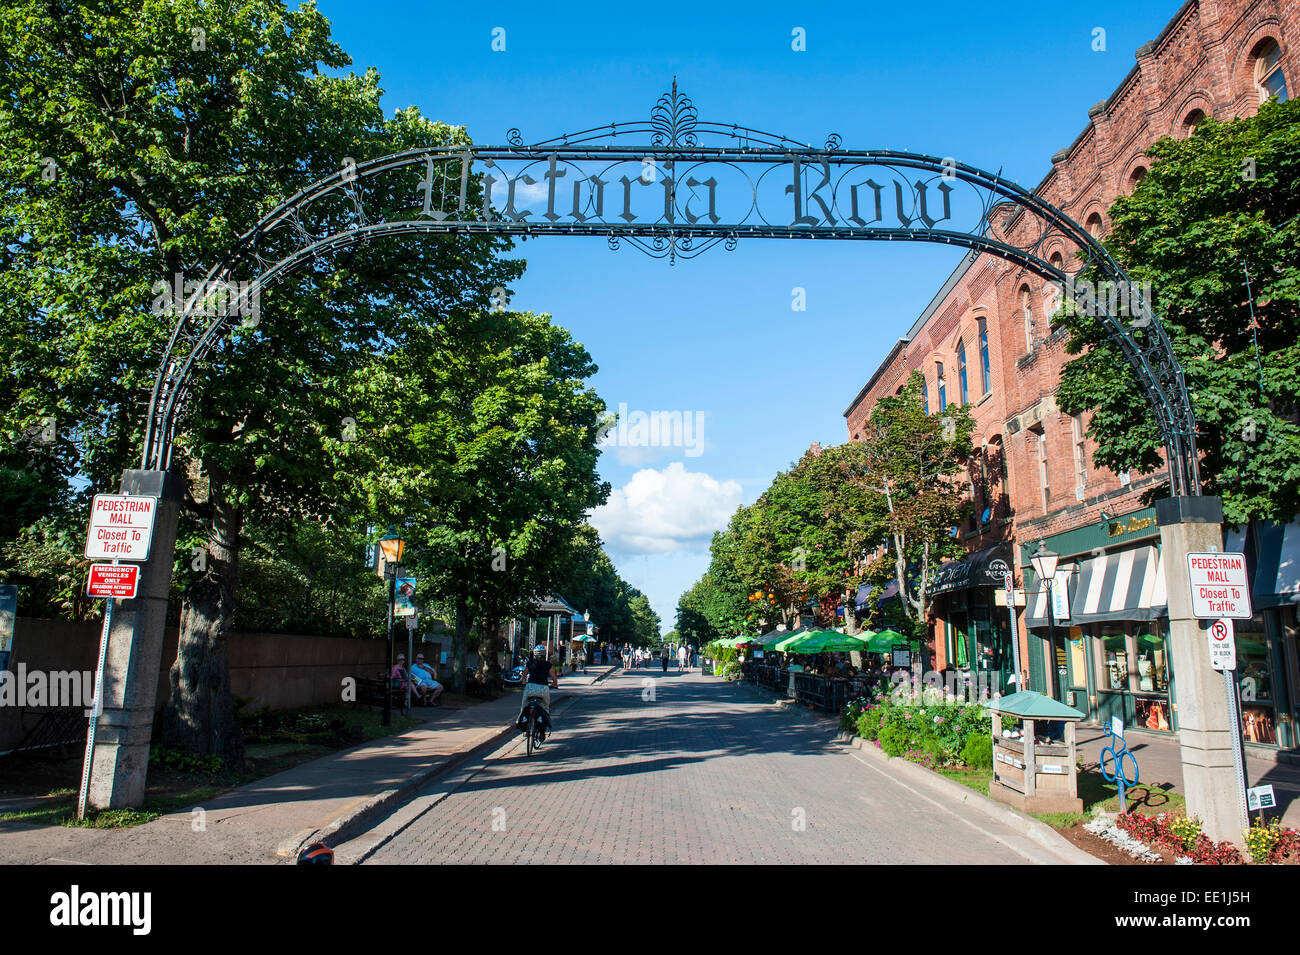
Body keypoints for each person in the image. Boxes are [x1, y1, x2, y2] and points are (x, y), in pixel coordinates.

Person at [518, 644, 559, 730]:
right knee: (545, 707)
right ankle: (544, 725)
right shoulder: (548, 664)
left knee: (524, 705)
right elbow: (554, 677)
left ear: (535, 654)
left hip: (530, 688)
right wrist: (555, 685)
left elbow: (525, 674)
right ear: (544, 654)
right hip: (543, 689)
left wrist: (523, 682)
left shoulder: (530, 663)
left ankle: (521, 723)